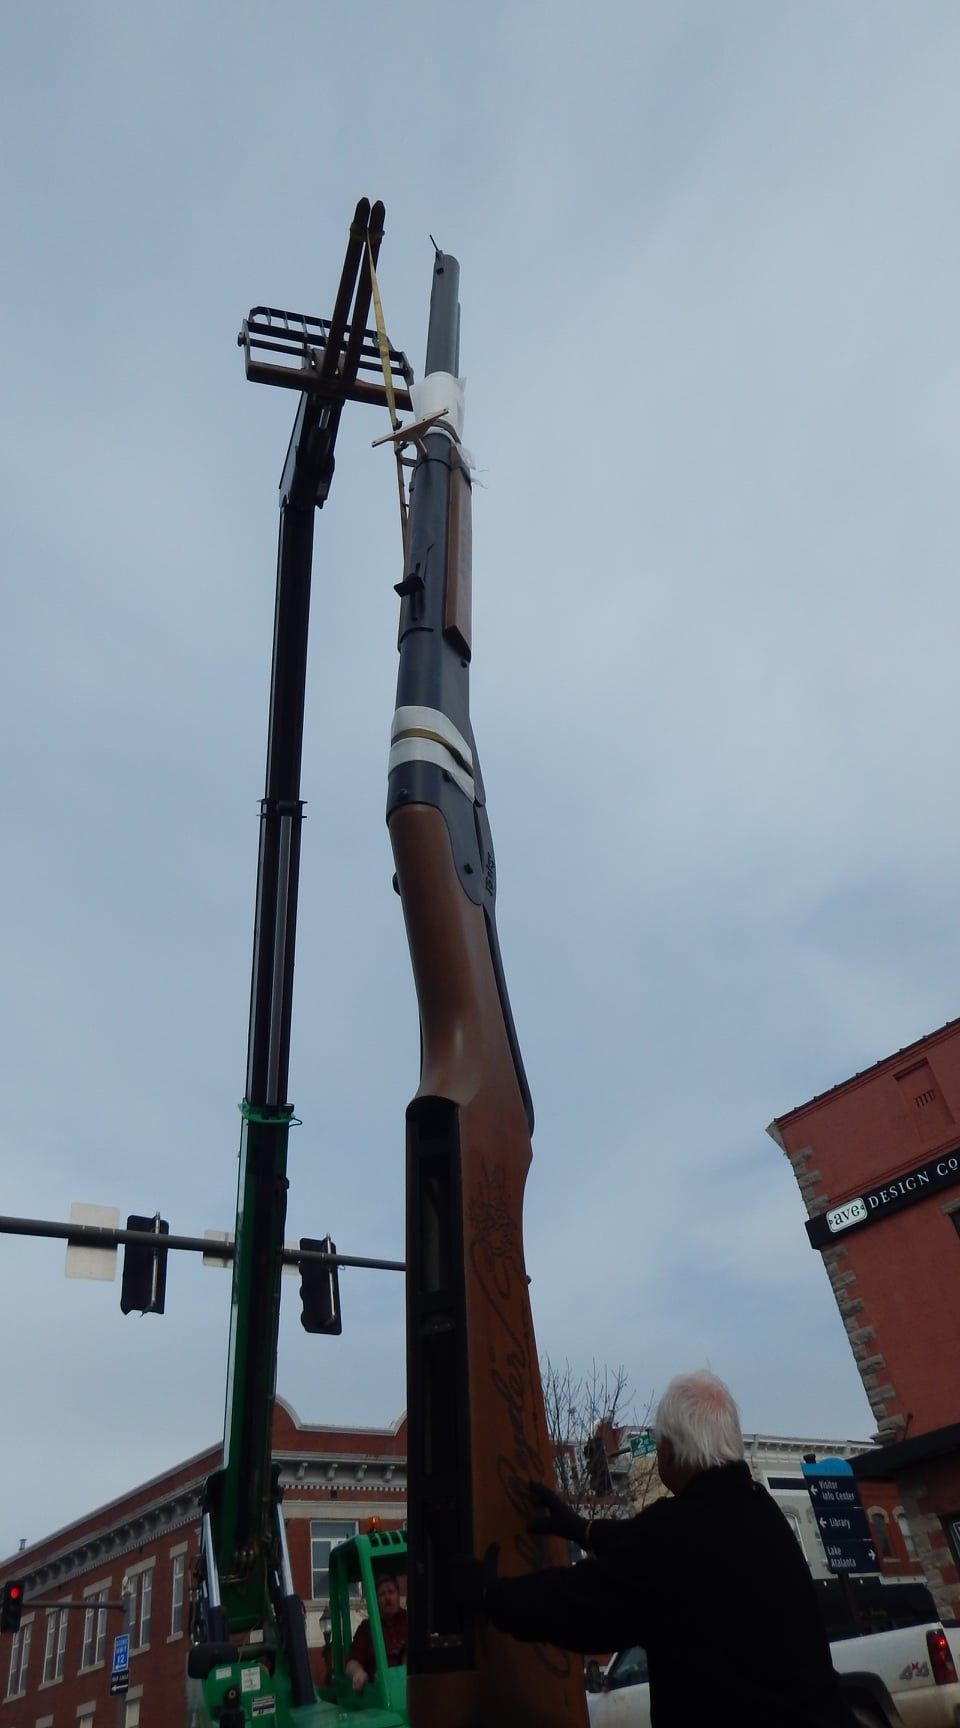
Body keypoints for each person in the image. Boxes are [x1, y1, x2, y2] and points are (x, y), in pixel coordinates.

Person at [476, 1369, 856, 1727]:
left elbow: (582, 1605)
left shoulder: (677, 1534)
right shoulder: (759, 1511)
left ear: (670, 1451)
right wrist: (584, 1530)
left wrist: (492, 1594)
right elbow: (653, 1551)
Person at [344, 1573, 408, 1693]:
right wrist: (358, 1673)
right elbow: (351, 1662)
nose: (387, 1598)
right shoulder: (367, 1628)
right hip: (379, 1695)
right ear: (376, 1599)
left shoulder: (411, 1622)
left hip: (407, 1689)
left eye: (391, 1592)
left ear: (398, 1595)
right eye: (382, 1594)